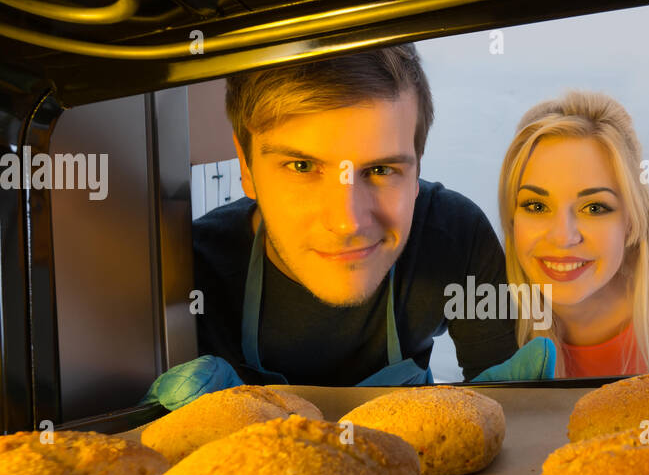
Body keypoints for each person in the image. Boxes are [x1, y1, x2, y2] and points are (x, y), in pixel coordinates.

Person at [144, 44, 553, 408]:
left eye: (380, 169)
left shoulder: (455, 237)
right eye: (302, 166)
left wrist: (510, 412)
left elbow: (503, 413)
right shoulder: (189, 274)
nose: (347, 222)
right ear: (245, 164)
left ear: (417, 169)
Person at [496, 90, 649, 378]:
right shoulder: (490, 315)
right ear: (512, 218)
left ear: (632, 220)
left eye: (594, 207)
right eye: (537, 206)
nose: (563, 237)